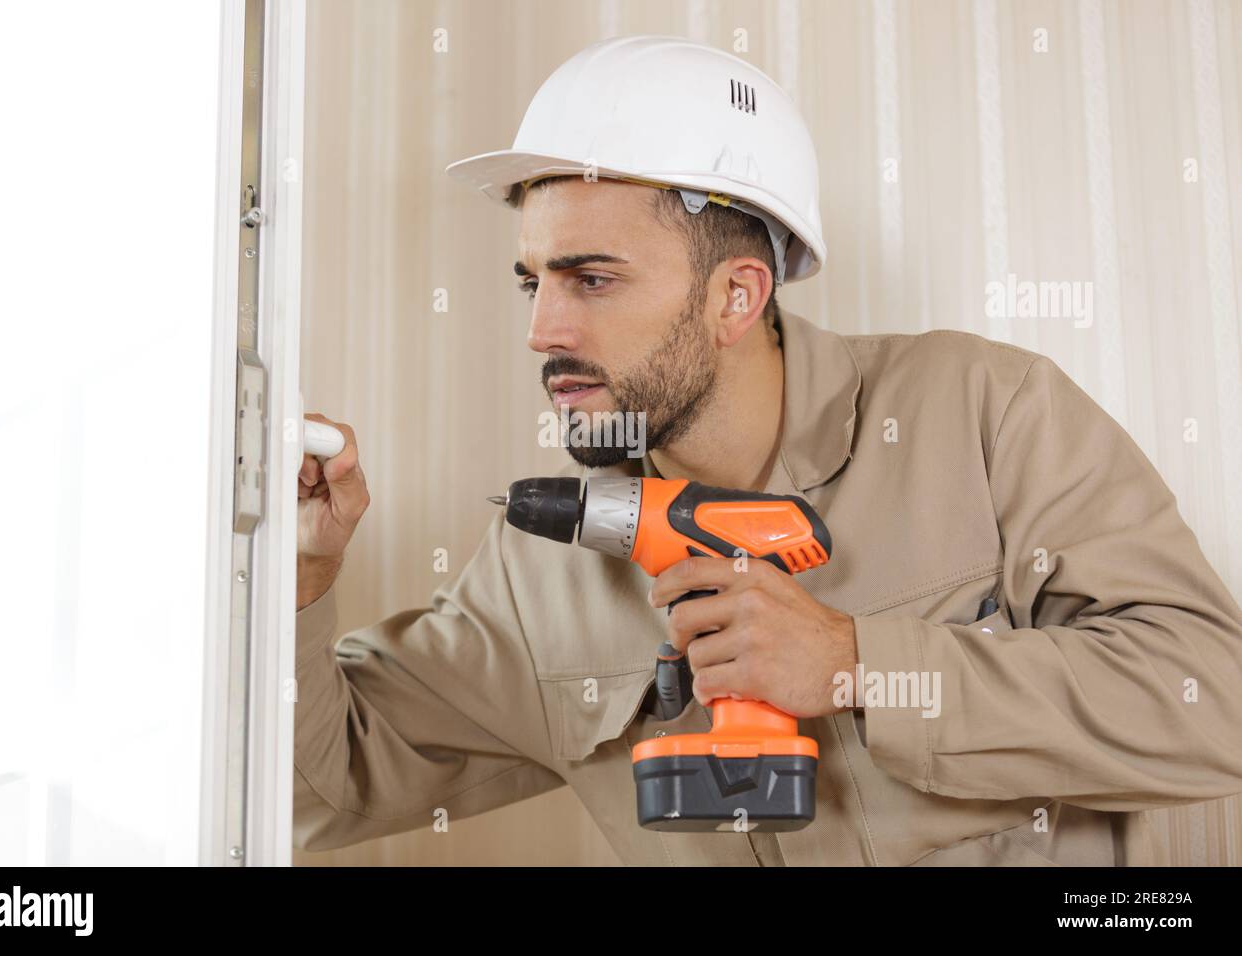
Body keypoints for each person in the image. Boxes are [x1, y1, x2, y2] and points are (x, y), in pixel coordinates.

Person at [292, 35, 1242, 865]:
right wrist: (299, 577)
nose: (541, 330)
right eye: (531, 280)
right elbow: (313, 796)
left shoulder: (983, 414)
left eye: (591, 279)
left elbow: (1213, 707)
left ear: (737, 296)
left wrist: (859, 664)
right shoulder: (536, 574)